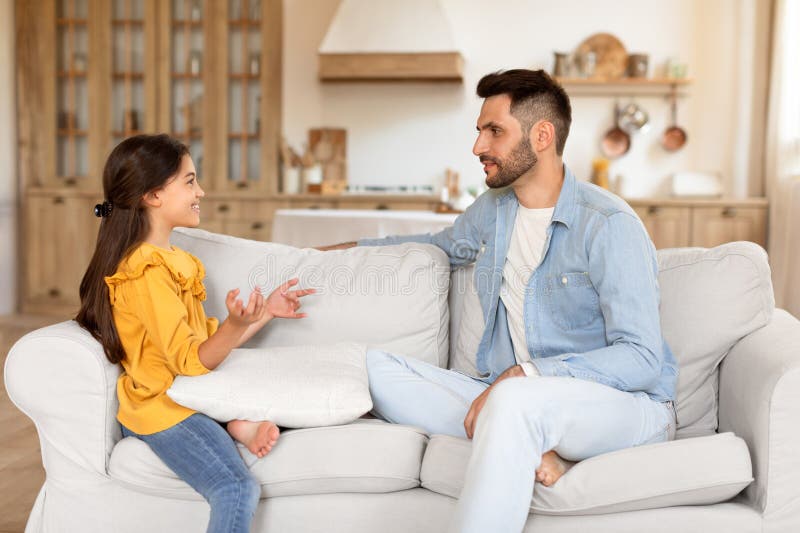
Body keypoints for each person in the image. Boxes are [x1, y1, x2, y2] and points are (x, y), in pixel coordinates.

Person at [319, 69, 678, 532]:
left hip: (624, 407)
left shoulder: (609, 224)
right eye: (479, 131)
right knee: (370, 368)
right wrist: (330, 254)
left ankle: (531, 432)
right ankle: (536, 442)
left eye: (494, 132)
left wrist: (526, 374)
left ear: (542, 136)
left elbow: (643, 359)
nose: (478, 147)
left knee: (511, 403)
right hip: (515, 398)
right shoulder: (495, 209)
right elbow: (437, 246)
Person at [76, 134, 314, 533]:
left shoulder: (173, 261)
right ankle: (236, 424)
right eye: (189, 181)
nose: (200, 191)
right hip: (163, 410)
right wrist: (235, 324)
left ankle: (236, 423)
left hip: (187, 394)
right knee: (235, 487)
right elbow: (192, 361)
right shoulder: (147, 271)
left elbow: (209, 345)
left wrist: (264, 313)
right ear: (153, 195)